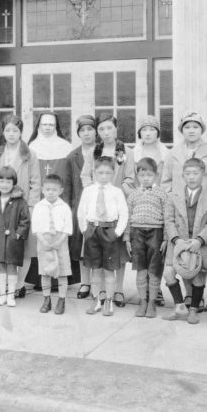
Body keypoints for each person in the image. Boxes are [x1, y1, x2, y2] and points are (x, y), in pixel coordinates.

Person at [161, 111, 207, 307]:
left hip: (204, 210)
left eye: (195, 127)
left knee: (199, 260)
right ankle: (186, 298)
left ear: (202, 130)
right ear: (182, 130)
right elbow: (166, 182)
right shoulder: (173, 153)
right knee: (180, 257)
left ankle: (198, 298)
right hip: (182, 210)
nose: (191, 130)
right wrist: (175, 199)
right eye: (187, 127)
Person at [0, 115, 41, 297]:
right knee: (3, 246)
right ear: (3, 131)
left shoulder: (29, 154)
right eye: (7, 130)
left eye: (15, 130)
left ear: (21, 132)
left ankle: (18, 284)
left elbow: (35, 181)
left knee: (23, 245)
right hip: (1, 205)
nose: (11, 134)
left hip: (21, 205)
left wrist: (32, 205)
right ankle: (5, 286)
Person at [162, 158, 207, 324]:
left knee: (197, 277)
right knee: (168, 272)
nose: (191, 177)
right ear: (182, 176)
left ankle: (193, 310)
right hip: (178, 243)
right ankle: (180, 307)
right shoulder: (173, 197)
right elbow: (169, 220)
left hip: (198, 244)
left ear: (203, 175)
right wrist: (177, 239)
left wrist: (199, 240)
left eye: (195, 173)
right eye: (187, 173)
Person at [77, 157, 129, 316]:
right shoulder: (88, 190)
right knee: (95, 270)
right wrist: (85, 230)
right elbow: (81, 212)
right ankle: (96, 300)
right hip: (93, 230)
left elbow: (124, 214)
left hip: (110, 231)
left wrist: (117, 233)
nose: (104, 176)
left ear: (113, 173)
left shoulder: (117, 191)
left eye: (108, 173)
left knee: (109, 270)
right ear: (94, 173)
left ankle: (109, 301)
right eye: (100, 172)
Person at [93, 112, 135, 306]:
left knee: (117, 250)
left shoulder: (125, 151)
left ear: (116, 128)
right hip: (98, 205)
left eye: (109, 127)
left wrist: (118, 191)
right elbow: (86, 174)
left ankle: (118, 290)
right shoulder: (96, 150)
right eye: (101, 128)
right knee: (101, 248)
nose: (106, 132)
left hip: (117, 205)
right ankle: (102, 289)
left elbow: (129, 177)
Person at [27, 112, 73, 290]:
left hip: (59, 197)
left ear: (56, 127)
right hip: (40, 197)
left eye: (51, 125)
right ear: (38, 126)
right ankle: (41, 279)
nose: (47, 128)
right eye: (44, 124)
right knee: (42, 235)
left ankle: (59, 279)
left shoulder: (65, 146)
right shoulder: (32, 146)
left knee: (58, 234)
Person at [124, 157, 168, 318]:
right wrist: (127, 237)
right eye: (142, 175)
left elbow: (168, 217)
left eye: (149, 175)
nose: (146, 178)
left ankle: (152, 303)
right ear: (137, 176)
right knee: (141, 269)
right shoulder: (133, 195)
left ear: (156, 175)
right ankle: (143, 301)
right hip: (137, 233)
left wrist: (166, 238)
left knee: (154, 270)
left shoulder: (162, 194)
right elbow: (128, 216)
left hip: (156, 233)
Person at [62, 115, 98, 298]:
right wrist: (69, 210)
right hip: (80, 206)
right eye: (82, 130)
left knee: (100, 245)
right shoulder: (72, 157)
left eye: (90, 129)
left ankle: (101, 284)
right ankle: (85, 283)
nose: (86, 133)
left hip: (100, 207)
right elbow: (67, 186)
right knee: (83, 246)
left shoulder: (102, 152)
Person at [0, 166, 30, 308]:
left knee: (11, 266)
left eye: (8, 182)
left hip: (13, 241)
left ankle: (11, 295)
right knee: (0, 266)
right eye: (1, 181)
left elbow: (25, 220)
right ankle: (2, 294)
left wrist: (18, 234)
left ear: (13, 183)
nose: (4, 185)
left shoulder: (20, 201)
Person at [32, 174, 73, 315]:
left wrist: (58, 242)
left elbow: (68, 228)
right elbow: (36, 227)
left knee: (62, 273)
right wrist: (44, 241)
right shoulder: (38, 206)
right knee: (45, 272)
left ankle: (61, 300)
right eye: (48, 189)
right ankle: (46, 299)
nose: (50, 192)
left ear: (60, 190)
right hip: (43, 242)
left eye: (54, 190)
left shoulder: (64, 207)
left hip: (60, 241)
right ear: (42, 189)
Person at [132, 115, 170, 185]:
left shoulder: (168, 155)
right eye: (144, 130)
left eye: (152, 129)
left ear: (157, 133)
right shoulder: (132, 155)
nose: (148, 133)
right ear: (140, 133)